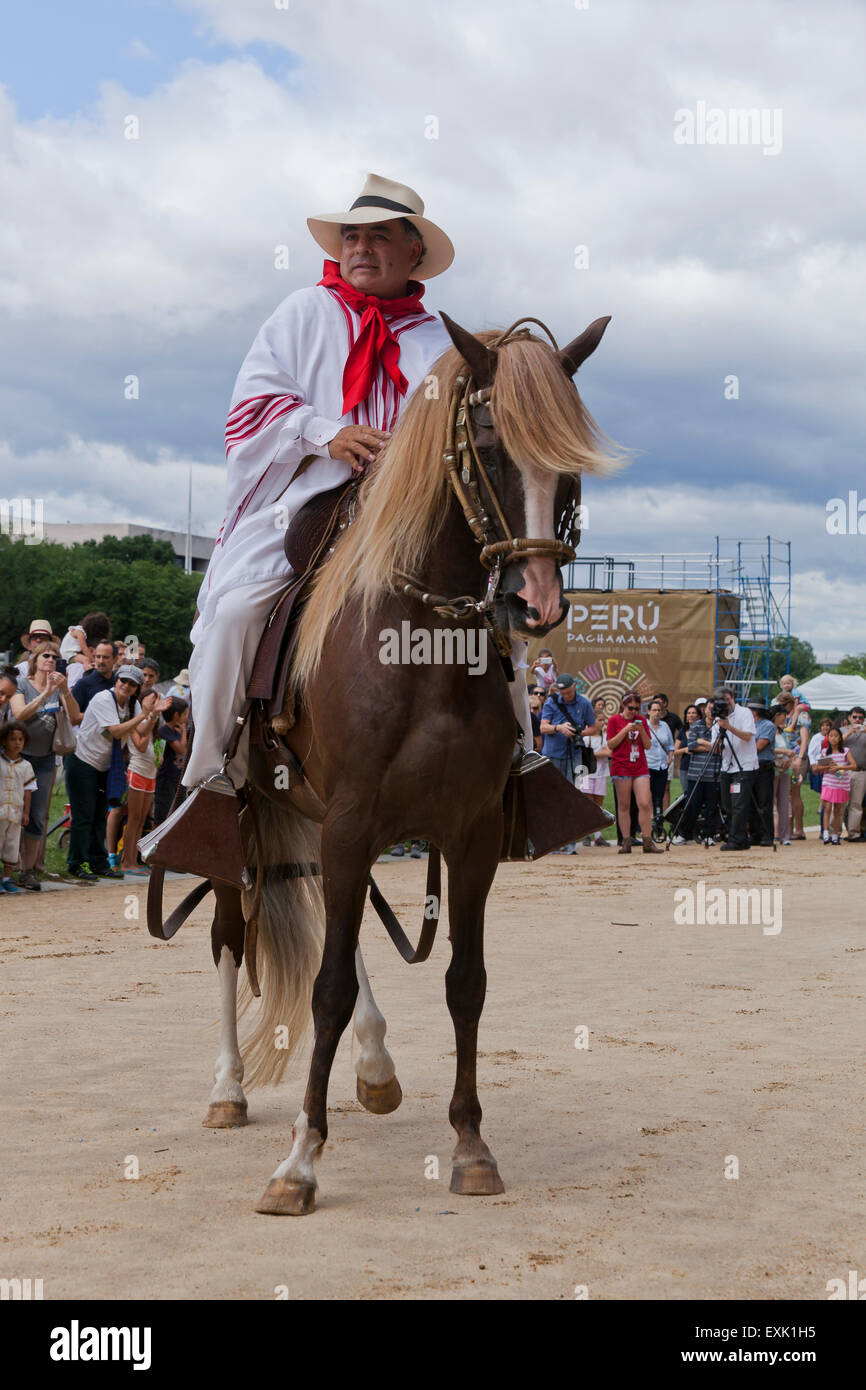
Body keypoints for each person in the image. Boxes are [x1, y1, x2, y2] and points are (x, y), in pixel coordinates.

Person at [182, 172, 456, 795]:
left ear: (414, 251)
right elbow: (250, 407)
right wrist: (322, 433)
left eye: (379, 236)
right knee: (234, 614)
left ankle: (515, 763)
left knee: (494, 620)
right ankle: (209, 781)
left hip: (409, 520)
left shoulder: (441, 342)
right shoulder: (304, 311)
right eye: (350, 236)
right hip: (305, 512)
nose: (360, 247)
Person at [65, 665, 154, 882]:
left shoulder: (130, 705)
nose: (126, 686)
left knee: (98, 816)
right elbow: (115, 731)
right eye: (123, 680)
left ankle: (98, 862)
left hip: (105, 766)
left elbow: (140, 731)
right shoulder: (104, 698)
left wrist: (153, 715)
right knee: (83, 816)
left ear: (136, 688)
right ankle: (76, 863)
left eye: (132, 684)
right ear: (116, 680)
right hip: (83, 761)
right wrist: (144, 713)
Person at [9, 642, 82, 890]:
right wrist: (45, 692)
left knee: (37, 816)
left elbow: (75, 716)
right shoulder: (22, 684)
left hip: (44, 761)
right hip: (17, 758)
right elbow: (19, 714)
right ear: (35, 660)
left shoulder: (60, 689)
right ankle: (10, 867)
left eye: (54, 656)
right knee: (12, 813)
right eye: (45, 655)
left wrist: (63, 690)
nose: (50, 659)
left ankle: (27, 871)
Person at [539, 674, 598, 854]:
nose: (566, 696)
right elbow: (543, 727)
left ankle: (571, 843)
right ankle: (553, 842)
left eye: (569, 692)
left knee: (573, 797)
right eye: (563, 693)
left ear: (575, 688)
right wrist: (559, 728)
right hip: (553, 755)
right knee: (553, 798)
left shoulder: (584, 703)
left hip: (576, 756)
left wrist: (580, 733)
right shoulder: (551, 702)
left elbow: (595, 727)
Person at [605, 692, 664, 855]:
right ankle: (626, 840)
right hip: (621, 766)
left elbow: (647, 745)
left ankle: (647, 840)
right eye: (630, 708)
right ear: (623, 705)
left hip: (640, 766)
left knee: (645, 803)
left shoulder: (642, 720)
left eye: (637, 709)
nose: (633, 712)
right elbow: (611, 744)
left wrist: (641, 730)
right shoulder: (614, 720)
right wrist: (625, 730)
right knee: (624, 805)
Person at [121, 689, 172, 874]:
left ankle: (134, 860)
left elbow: (154, 746)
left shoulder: (154, 723)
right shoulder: (135, 721)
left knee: (142, 819)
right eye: (152, 700)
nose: (155, 703)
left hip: (151, 774)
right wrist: (154, 714)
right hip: (137, 771)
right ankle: (127, 862)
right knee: (133, 819)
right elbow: (141, 746)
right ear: (141, 702)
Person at [708, 687, 759, 851]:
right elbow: (717, 747)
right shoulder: (718, 719)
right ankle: (741, 838)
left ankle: (735, 840)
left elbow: (747, 736)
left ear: (733, 698)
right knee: (728, 805)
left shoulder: (745, 713)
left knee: (739, 804)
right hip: (726, 765)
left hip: (744, 765)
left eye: (727, 700)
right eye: (722, 701)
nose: (726, 704)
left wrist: (729, 727)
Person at [674, 703, 720, 844]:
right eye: (709, 708)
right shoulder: (696, 726)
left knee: (711, 807)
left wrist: (703, 742)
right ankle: (684, 834)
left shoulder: (721, 725)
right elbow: (692, 745)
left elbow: (720, 747)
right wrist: (711, 746)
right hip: (695, 773)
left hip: (713, 774)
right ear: (704, 710)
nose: (711, 711)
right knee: (692, 805)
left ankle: (708, 835)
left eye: (714, 709)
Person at [0, 721, 38, 893]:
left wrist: (26, 813)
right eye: (12, 739)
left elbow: (28, 791)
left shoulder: (26, 766)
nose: (17, 743)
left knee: (12, 846)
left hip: (15, 814)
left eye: (20, 739)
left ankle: (7, 879)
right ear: (3, 741)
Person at [814, 728, 857, 845]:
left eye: (836, 736)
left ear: (840, 738)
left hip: (840, 784)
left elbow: (854, 766)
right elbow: (817, 768)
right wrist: (827, 767)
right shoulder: (825, 752)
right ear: (828, 738)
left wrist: (840, 768)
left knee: (838, 810)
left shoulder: (845, 751)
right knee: (827, 808)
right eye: (831, 736)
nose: (833, 738)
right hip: (828, 783)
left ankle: (835, 835)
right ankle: (826, 832)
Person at [777, 692, 810, 840]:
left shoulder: (801, 717)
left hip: (797, 757)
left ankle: (799, 829)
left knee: (794, 793)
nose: (782, 707)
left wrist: (800, 758)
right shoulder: (781, 718)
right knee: (785, 794)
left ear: (790, 704)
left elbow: (804, 739)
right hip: (784, 757)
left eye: (784, 705)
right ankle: (787, 829)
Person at [152, 697, 190, 826]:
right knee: (163, 813)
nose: (187, 717)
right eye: (185, 714)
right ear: (176, 715)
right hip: (166, 778)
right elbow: (181, 750)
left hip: (176, 777)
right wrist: (184, 731)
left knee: (177, 812)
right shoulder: (165, 731)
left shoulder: (175, 731)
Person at [579, 697, 611, 846]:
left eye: (603, 720)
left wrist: (595, 753)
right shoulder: (586, 737)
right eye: (599, 720)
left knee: (598, 804)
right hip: (585, 773)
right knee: (587, 803)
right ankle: (586, 834)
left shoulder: (605, 737)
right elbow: (588, 754)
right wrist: (599, 753)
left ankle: (598, 835)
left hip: (601, 773)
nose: (602, 723)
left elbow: (609, 752)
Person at [748, 701, 777, 847]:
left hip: (763, 766)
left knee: (764, 802)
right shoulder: (747, 725)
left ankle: (767, 834)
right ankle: (755, 834)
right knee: (751, 803)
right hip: (749, 766)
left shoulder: (767, 726)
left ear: (755, 712)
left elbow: (759, 746)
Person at [645, 698, 674, 827]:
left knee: (660, 794)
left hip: (662, 766)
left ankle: (659, 819)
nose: (657, 712)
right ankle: (649, 819)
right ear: (648, 711)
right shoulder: (644, 725)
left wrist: (670, 758)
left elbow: (671, 745)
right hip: (648, 765)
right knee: (648, 794)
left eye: (659, 710)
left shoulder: (665, 726)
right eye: (654, 710)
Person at [842, 706, 866, 841]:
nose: (857, 720)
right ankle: (835, 833)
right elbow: (835, 744)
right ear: (849, 718)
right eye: (855, 717)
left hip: (861, 772)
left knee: (856, 804)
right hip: (842, 772)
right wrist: (850, 732)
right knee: (839, 803)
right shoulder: (841, 731)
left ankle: (854, 833)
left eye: (860, 718)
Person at [73, 641, 117, 714]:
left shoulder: (119, 683)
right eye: (98, 657)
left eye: (105, 657)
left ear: (115, 659)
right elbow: (73, 718)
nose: (101, 661)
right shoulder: (82, 684)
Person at [808, 717, 832, 837]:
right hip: (819, 767)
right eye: (823, 725)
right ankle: (824, 830)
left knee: (827, 797)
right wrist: (813, 765)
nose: (825, 728)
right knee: (824, 795)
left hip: (830, 770)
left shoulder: (832, 737)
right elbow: (811, 752)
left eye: (827, 725)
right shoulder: (816, 737)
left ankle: (827, 829)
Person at [675, 704, 699, 790]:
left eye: (693, 713)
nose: (691, 715)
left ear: (698, 715)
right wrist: (685, 750)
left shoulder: (703, 730)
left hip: (699, 767)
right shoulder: (682, 731)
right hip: (685, 767)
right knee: (686, 794)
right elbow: (675, 751)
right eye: (688, 713)